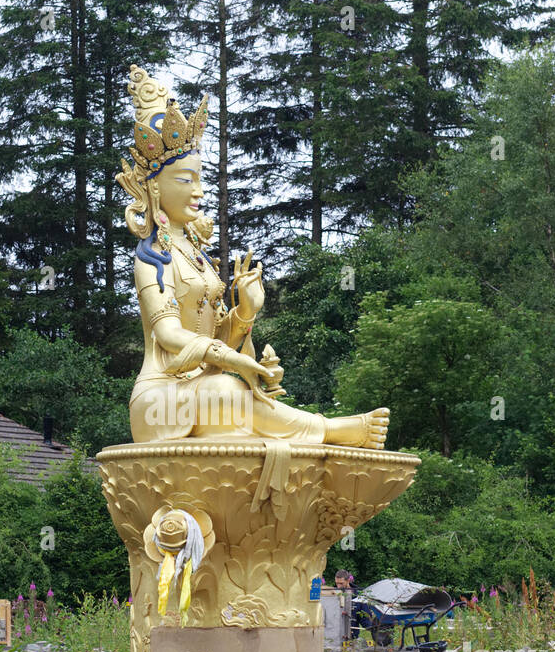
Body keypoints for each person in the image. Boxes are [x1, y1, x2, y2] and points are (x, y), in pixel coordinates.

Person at [118, 66, 390, 446]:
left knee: (228, 393)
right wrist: (235, 362)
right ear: (153, 187)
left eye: (199, 179)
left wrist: (245, 311)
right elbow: (168, 334)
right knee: (226, 393)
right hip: (160, 399)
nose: (198, 191)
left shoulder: (196, 256)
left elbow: (217, 347)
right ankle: (327, 429)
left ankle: (324, 430)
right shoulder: (151, 258)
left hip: (202, 389)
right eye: (185, 180)